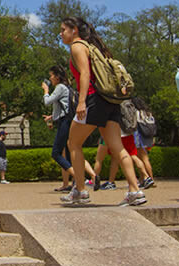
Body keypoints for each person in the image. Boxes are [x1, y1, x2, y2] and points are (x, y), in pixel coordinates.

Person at [58, 18, 146, 207]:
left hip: (93, 99)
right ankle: (134, 191)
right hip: (109, 101)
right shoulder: (92, 47)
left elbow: (85, 74)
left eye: (63, 29)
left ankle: (80, 191)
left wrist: (81, 102)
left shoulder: (77, 46)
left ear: (74, 31)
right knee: (117, 147)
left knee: (73, 143)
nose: (61, 33)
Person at [132, 96, 157, 189]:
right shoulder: (148, 113)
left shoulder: (136, 113)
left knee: (143, 159)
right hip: (148, 138)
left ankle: (150, 179)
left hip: (140, 138)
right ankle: (142, 179)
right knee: (144, 158)